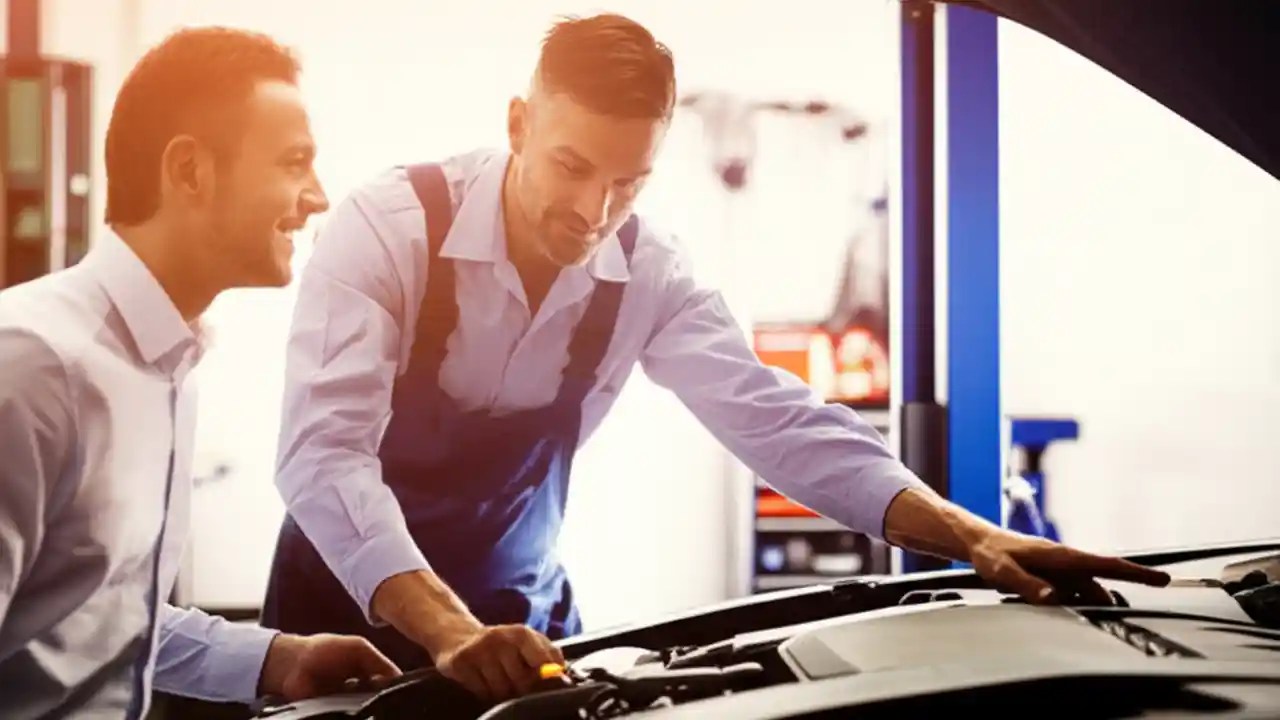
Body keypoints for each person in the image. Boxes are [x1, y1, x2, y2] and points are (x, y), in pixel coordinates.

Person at [262, 11, 1170, 703]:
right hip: (342, 626)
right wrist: (445, 630)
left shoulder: (646, 272)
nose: (594, 209)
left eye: (629, 180)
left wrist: (973, 535)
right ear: (516, 124)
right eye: (572, 166)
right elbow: (323, 455)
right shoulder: (390, 230)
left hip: (521, 627)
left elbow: (777, 420)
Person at [0, 27, 402, 718]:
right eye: (295, 162)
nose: (317, 197)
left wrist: (276, 658)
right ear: (189, 171)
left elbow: (96, 615)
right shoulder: (34, 367)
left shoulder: (165, 362)